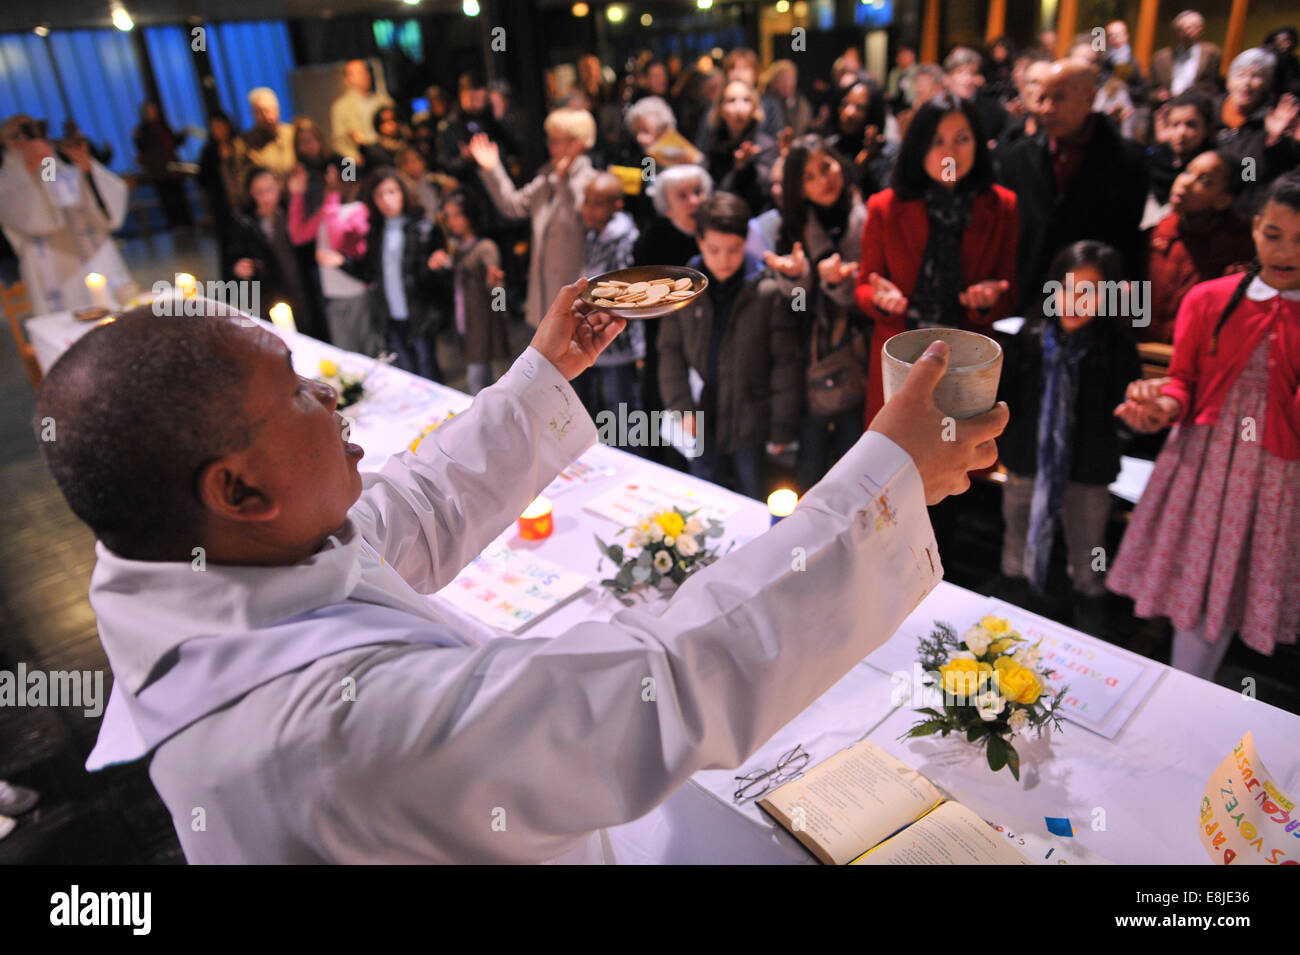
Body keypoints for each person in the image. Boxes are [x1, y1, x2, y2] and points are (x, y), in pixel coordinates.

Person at [33, 273, 1007, 863]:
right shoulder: (327, 732)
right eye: (296, 392)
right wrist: (888, 476)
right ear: (238, 489)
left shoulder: (209, 566)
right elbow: (654, 689)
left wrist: (544, 372)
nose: (328, 393)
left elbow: (403, 518)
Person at [1110, 171, 1300, 681]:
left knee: (1240, 586)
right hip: (1205, 461)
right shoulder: (1210, 299)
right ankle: (1187, 696)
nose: (1285, 250)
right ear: (1256, 227)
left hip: (1283, 473)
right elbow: (1182, 384)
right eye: (1274, 233)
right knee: (1194, 593)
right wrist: (1158, 406)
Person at [996, 242, 1141, 632]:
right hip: (1028, 462)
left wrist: (1133, 420)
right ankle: (1012, 613)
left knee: (1089, 550)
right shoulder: (1030, 337)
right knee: (1017, 539)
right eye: (1066, 288)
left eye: (1089, 293)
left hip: (1088, 470)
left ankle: (1090, 614)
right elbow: (1005, 398)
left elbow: (1125, 413)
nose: (1074, 301)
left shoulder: (1116, 348)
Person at [856, 93, 1019, 425]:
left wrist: (987, 300)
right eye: (937, 141)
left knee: (961, 463)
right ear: (918, 147)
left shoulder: (1002, 205)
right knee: (899, 460)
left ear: (978, 143)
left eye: (962, 139)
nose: (950, 153)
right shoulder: (885, 207)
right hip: (901, 357)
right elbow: (864, 285)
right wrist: (881, 297)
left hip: (968, 365)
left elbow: (1010, 292)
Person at [658, 192, 801, 500]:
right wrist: (680, 407)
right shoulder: (682, 289)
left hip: (750, 419)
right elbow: (669, 352)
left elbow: (785, 363)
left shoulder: (766, 291)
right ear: (699, 242)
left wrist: (781, 426)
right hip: (698, 416)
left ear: (745, 241)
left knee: (752, 493)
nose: (723, 260)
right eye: (714, 250)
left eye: (733, 250)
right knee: (702, 497)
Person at [997, 59, 1148, 313]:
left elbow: (1128, 237)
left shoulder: (1129, 159)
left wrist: (1125, 305)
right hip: (1031, 294)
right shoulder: (1018, 155)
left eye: (1059, 98)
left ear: (1089, 99)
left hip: (1093, 298)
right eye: (1042, 98)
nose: (1047, 108)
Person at [763, 135, 869, 491]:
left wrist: (842, 286)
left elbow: (870, 299)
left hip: (861, 360)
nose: (823, 179)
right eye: (809, 176)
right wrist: (798, 280)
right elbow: (796, 309)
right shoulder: (791, 229)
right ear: (798, 187)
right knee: (811, 469)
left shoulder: (866, 219)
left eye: (826, 166)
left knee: (857, 465)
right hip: (809, 364)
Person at [469, 108, 599, 329]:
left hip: (578, 304)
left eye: (556, 140)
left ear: (578, 143)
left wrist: (560, 179)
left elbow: (583, 214)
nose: (549, 145)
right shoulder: (546, 178)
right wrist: (493, 169)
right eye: (549, 138)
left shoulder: (591, 183)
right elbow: (513, 206)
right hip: (545, 298)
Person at [0, 114, 136, 314]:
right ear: (6, 141)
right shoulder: (7, 178)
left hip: (93, 257)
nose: (26, 140)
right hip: (51, 265)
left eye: (32, 130)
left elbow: (53, 186)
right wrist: (29, 165)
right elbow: (31, 216)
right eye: (18, 135)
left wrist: (87, 169)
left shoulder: (52, 166)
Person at [343, 168, 446, 381]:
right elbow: (370, 274)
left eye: (392, 192)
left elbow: (437, 283)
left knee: (428, 373)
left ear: (403, 193)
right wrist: (342, 262)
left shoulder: (424, 229)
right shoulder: (375, 233)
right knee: (405, 374)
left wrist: (437, 267)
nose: (386, 200)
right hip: (390, 318)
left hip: (419, 315)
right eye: (379, 195)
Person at [633, 163, 713, 433]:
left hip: (711, 341)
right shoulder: (651, 241)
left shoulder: (715, 233)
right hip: (666, 342)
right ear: (666, 206)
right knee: (665, 420)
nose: (694, 201)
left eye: (698, 192)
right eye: (683, 195)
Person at [1145, 149, 1255, 343]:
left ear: (1223, 200)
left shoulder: (1240, 245)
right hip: (1146, 347)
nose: (1184, 182)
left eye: (1204, 181)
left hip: (1196, 354)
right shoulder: (1160, 230)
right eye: (1187, 172)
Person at [571, 173, 642, 423]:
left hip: (618, 341)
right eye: (586, 201)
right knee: (596, 410)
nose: (588, 208)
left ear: (617, 205)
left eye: (597, 203)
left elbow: (629, 294)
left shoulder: (625, 241)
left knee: (623, 416)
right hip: (594, 336)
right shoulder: (593, 236)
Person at [287, 156, 372, 354]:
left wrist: (333, 194)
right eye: (329, 177)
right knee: (344, 353)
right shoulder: (328, 209)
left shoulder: (360, 210)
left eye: (337, 177)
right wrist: (297, 195)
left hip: (356, 294)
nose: (331, 181)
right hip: (332, 296)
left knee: (367, 353)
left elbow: (338, 242)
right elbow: (298, 235)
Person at [428, 190, 506, 395]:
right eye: (449, 216)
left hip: (481, 325)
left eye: (457, 215)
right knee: (481, 380)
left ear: (470, 215)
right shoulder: (460, 247)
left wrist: (496, 283)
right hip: (466, 322)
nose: (451, 221)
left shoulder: (484, 246)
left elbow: (497, 288)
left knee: (477, 382)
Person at [226, 167, 312, 336]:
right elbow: (233, 257)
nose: (267, 197)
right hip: (272, 293)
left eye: (271, 189)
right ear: (250, 193)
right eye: (259, 192)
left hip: (302, 286)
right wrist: (238, 267)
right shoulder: (246, 224)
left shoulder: (292, 211)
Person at [1214, 50, 1300, 215]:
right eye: (1241, 75)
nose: (1247, 82)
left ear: (1267, 84)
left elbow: (1252, 175)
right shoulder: (1211, 111)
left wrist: (1274, 141)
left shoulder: (1271, 121)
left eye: (1256, 76)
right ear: (1229, 81)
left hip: (1240, 211)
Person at [699, 80, 776, 216]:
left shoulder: (765, 145)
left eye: (746, 100)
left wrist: (744, 169)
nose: (739, 108)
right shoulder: (713, 144)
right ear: (720, 109)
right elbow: (710, 191)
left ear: (755, 107)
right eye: (731, 101)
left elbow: (765, 194)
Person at [196, 112, 246, 269]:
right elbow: (202, 178)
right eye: (214, 127)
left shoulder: (239, 145)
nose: (218, 130)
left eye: (221, 126)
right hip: (221, 204)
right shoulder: (208, 151)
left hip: (241, 200)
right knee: (226, 242)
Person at [1147, 90, 1214, 207]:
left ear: (1206, 128)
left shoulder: (1213, 167)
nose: (1181, 132)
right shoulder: (1153, 159)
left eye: (1191, 125)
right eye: (1175, 124)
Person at [132, 100, 191, 229]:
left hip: (173, 169)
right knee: (168, 200)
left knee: (179, 198)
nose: (153, 113)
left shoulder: (163, 126)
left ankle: (186, 223)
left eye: (154, 110)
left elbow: (173, 142)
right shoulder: (143, 130)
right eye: (150, 111)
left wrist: (183, 135)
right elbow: (141, 147)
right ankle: (176, 225)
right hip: (158, 171)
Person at [1149, 9, 1222, 103]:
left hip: (1198, 105)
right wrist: (1157, 95)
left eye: (1193, 27)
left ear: (1201, 29)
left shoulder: (1211, 54)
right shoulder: (1160, 58)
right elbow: (1149, 91)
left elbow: (1215, 86)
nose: (1187, 33)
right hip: (1167, 104)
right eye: (1182, 29)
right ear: (1176, 32)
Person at [330, 59, 393, 161]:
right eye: (358, 73)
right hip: (358, 158)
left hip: (386, 153)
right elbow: (339, 141)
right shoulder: (341, 107)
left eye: (365, 71)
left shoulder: (384, 101)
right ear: (348, 79)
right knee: (348, 172)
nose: (364, 76)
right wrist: (353, 157)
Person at [244, 88, 297, 175]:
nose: (266, 116)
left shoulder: (293, 133)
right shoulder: (246, 145)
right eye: (261, 112)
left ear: (278, 109)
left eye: (269, 109)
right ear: (253, 114)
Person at [758, 60, 813, 141]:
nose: (788, 83)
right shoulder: (766, 102)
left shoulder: (800, 101)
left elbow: (803, 128)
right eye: (784, 78)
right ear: (774, 81)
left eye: (792, 78)